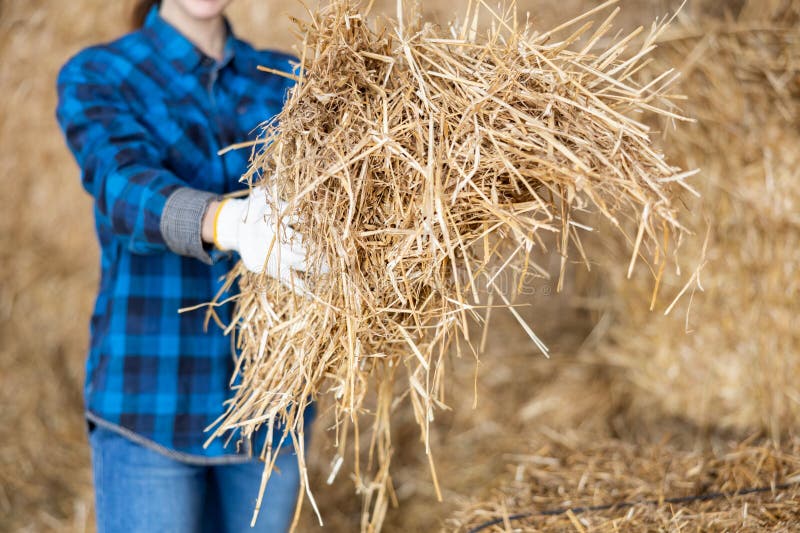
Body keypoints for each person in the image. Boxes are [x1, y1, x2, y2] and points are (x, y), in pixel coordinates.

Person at [55, 0, 313, 531]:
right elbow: (120, 186)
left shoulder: (291, 79)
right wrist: (233, 224)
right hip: (151, 399)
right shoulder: (101, 72)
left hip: (270, 412)